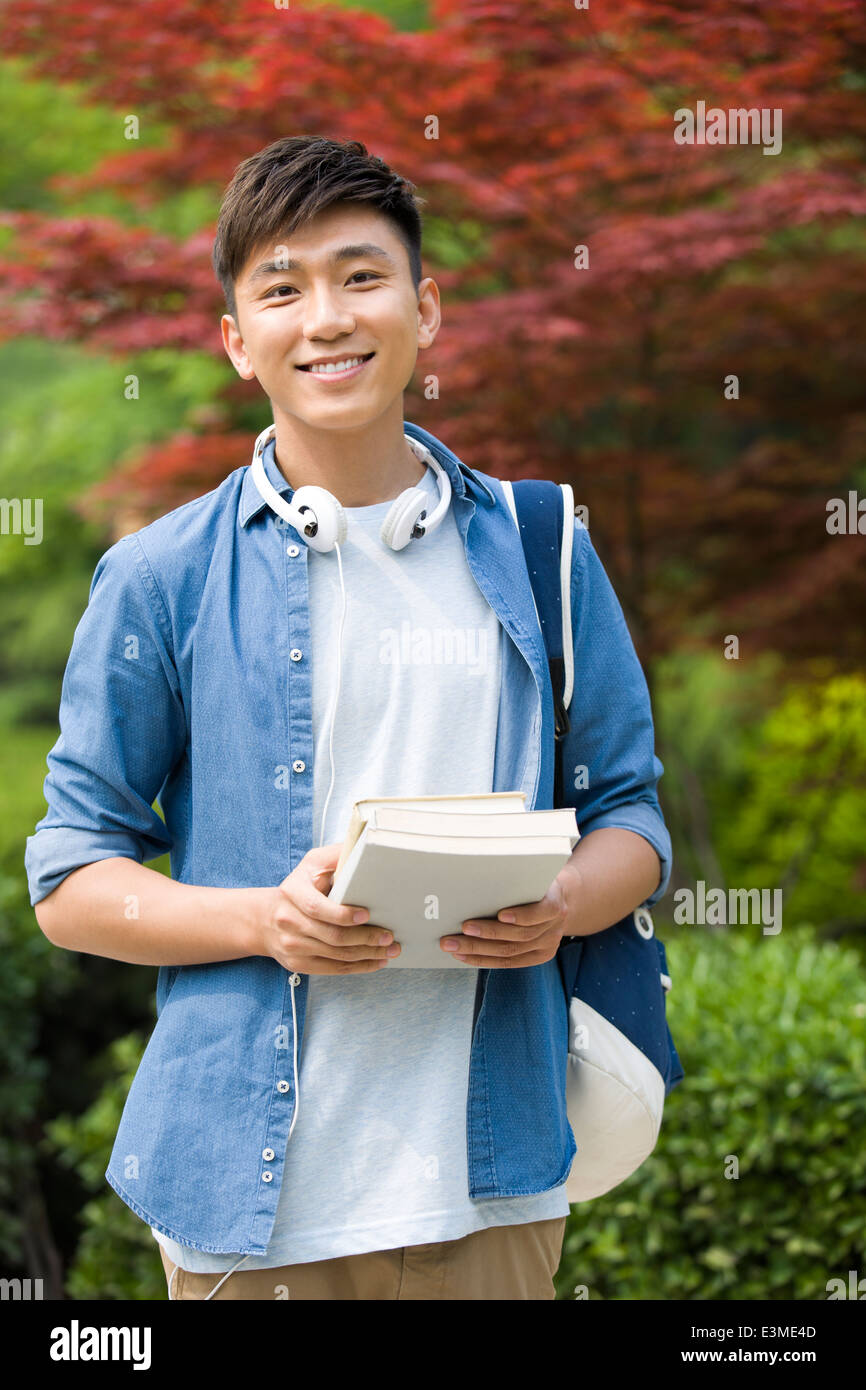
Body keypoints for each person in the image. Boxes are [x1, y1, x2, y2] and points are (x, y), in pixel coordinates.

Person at [25, 136, 672, 1301]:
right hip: (251, 1204)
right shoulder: (157, 577)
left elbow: (629, 812)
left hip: (493, 1189)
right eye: (281, 288)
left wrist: (563, 903)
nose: (325, 317)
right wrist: (264, 920)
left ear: (426, 310)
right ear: (236, 340)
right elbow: (71, 880)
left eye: (360, 276)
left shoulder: (541, 547)